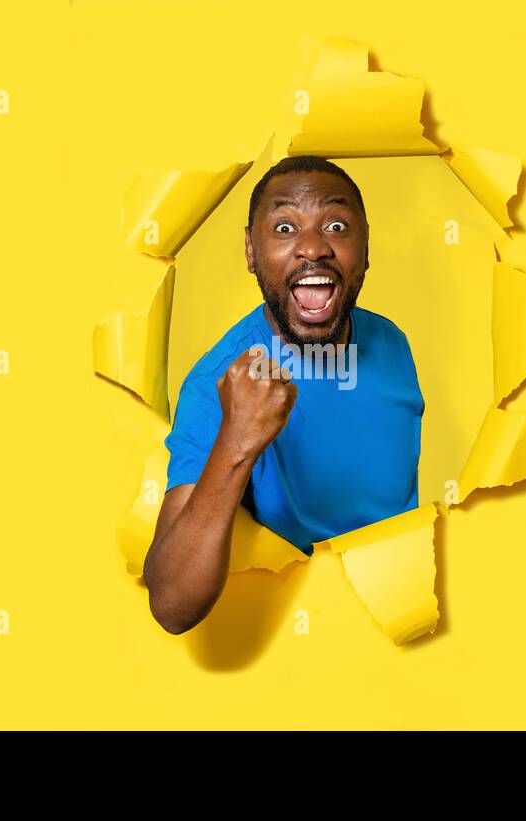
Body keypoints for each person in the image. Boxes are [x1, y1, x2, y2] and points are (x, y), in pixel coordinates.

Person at [143, 156, 424, 634]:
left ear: (365, 247)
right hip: (303, 639)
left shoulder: (392, 343)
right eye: (285, 227)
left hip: (400, 617)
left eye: (335, 225)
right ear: (252, 252)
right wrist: (237, 441)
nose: (313, 248)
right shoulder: (219, 384)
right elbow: (172, 605)